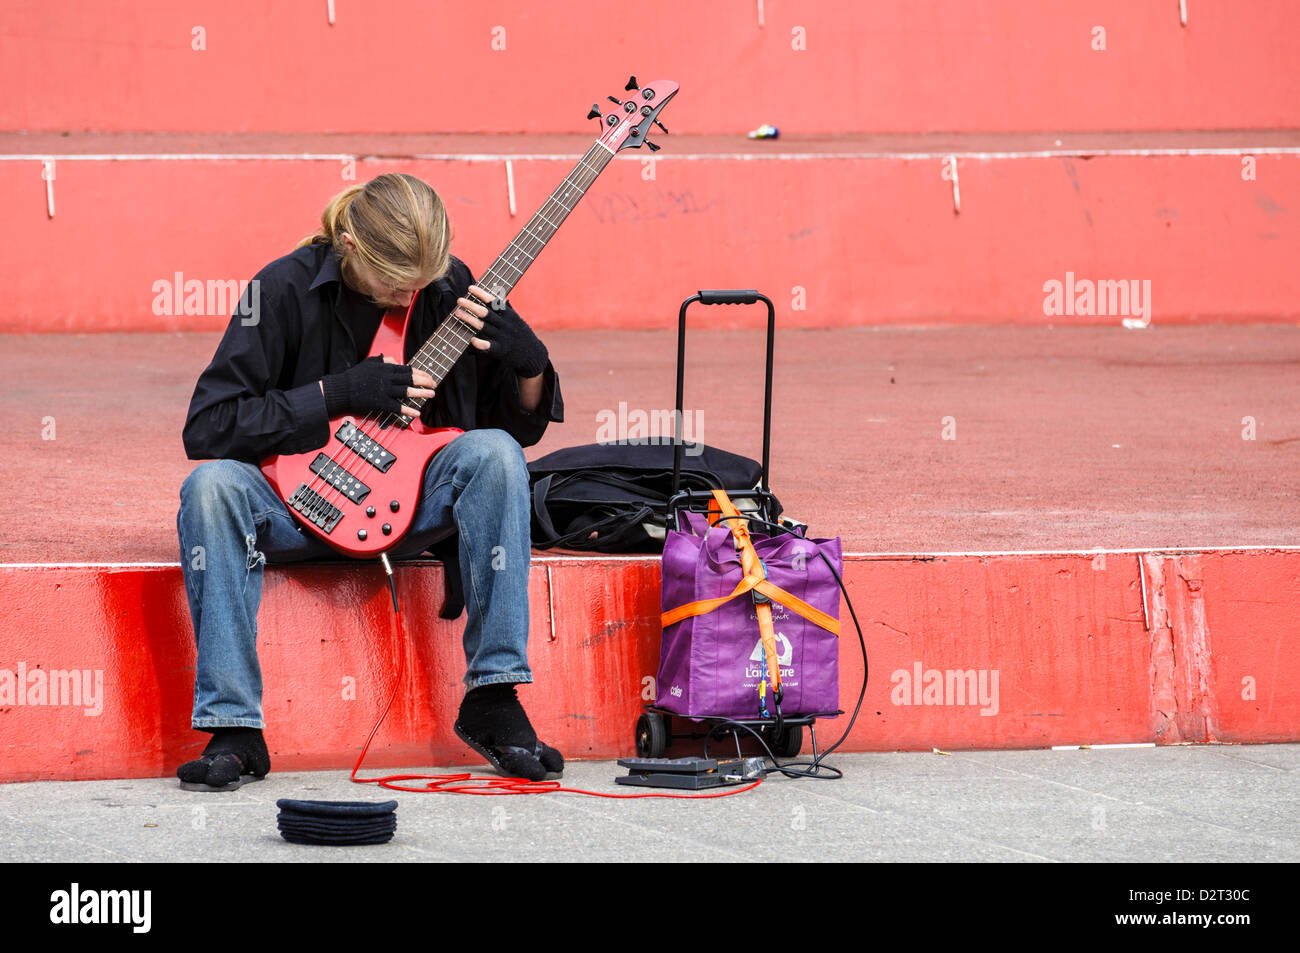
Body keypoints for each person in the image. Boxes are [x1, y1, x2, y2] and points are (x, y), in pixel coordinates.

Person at [175, 172, 564, 790]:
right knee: (211, 488)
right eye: (398, 281)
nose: (413, 291)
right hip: (294, 506)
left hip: (409, 508)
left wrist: (532, 365)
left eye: (423, 279)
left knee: (494, 454)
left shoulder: (448, 285)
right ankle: (235, 728)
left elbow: (520, 430)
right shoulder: (282, 289)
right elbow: (209, 426)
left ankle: (494, 698)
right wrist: (333, 394)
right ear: (351, 247)